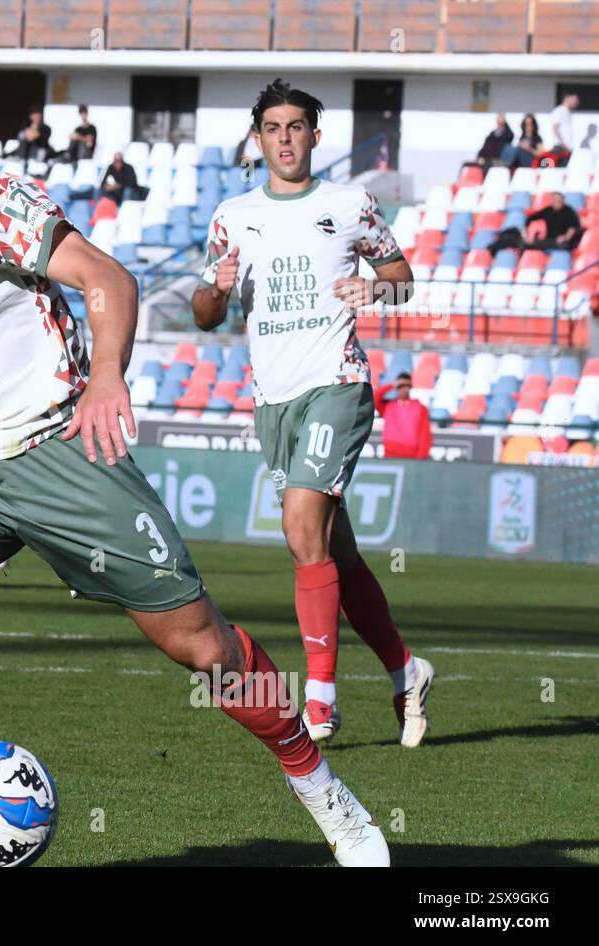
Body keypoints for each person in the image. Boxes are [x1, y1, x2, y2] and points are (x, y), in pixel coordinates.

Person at [0, 62, 390, 868]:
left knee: (206, 651)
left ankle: (321, 787)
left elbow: (105, 277)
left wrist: (107, 378)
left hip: (58, 446)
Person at [192, 79, 434, 749]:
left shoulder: (350, 204)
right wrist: (214, 289)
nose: (287, 138)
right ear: (260, 139)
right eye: (273, 128)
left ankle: (320, 701)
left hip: (338, 383)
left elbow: (403, 274)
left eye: (297, 126)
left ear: (314, 136)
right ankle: (406, 670)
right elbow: (205, 313)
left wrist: (376, 286)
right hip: (273, 400)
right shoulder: (232, 216)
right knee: (335, 555)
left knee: (301, 525)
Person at [488, 191, 582, 254]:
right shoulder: (547, 210)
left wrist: (565, 237)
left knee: (562, 245)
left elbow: (573, 227)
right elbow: (530, 219)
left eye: (559, 200)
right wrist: (526, 234)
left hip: (560, 241)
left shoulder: (569, 211)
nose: (557, 202)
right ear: (552, 200)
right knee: (525, 244)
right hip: (547, 240)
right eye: (555, 200)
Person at [374, 373, 432, 459]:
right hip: (390, 454)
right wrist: (392, 385)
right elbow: (375, 397)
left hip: (411, 456)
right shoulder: (388, 406)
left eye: (407, 386)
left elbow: (425, 434)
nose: (405, 389)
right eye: (401, 386)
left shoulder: (420, 408)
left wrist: (421, 458)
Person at [548, 93, 579, 158]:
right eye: (575, 101)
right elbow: (555, 128)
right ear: (567, 99)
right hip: (560, 147)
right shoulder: (560, 110)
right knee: (557, 167)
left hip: (566, 147)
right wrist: (563, 144)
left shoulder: (567, 111)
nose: (577, 103)